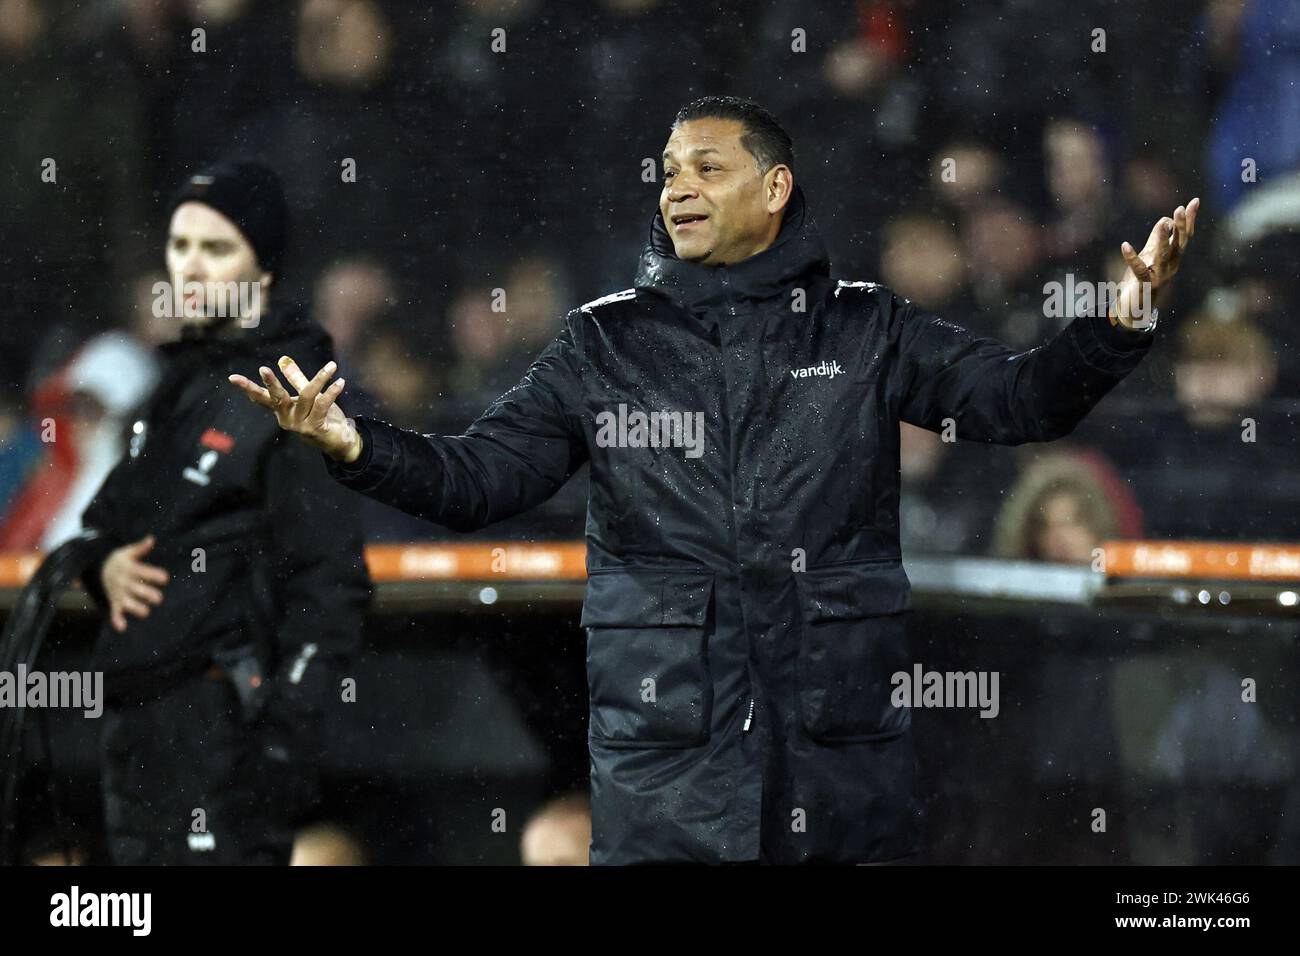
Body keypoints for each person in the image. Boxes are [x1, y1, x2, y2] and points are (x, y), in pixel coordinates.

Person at [231, 97, 1198, 864]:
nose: (676, 188)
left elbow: (1021, 403)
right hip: (668, 770)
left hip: (836, 764)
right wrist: (352, 441)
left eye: (706, 166)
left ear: (775, 187)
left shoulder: (868, 329)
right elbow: (480, 478)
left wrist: (1119, 324)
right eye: (665, 173)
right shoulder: (601, 342)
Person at [79, 160, 372, 864]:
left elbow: (332, 580)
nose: (190, 267)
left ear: (262, 267)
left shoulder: (294, 388)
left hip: (225, 736)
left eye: (215, 249)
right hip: (141, 727)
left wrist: (278, 739)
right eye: (179, 247)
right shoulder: (175, 381)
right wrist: (102, 565)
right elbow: (103, 522)